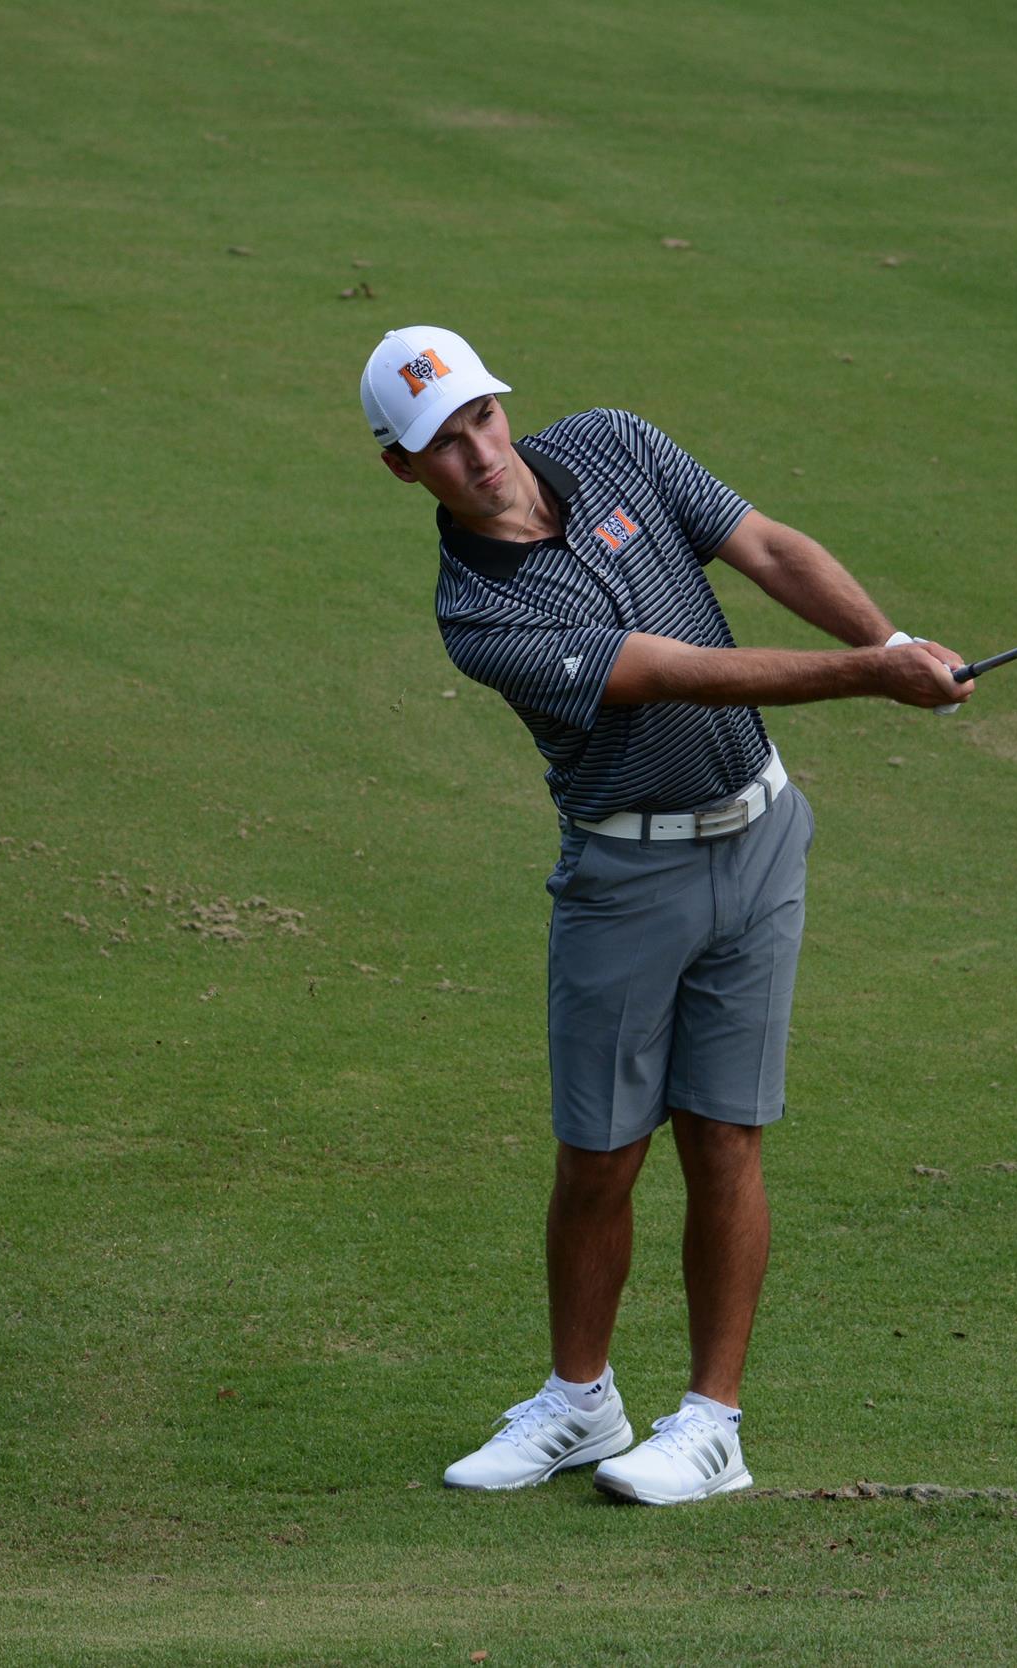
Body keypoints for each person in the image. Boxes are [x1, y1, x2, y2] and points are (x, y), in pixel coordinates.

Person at [361, 324, 972, 1505]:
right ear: (404, 469)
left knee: (724, 1137)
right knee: (599, 1155)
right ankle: (580, 1405)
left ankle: (711, 1427)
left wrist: (886, 640)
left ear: (502, 400)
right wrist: (863, 680)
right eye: (441, 444)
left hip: (761, 836)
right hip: (623, 878)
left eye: (481, 417)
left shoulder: (614, 443)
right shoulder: (478, 618)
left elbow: (763, 546)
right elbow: (669, 668)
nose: (479, 454)